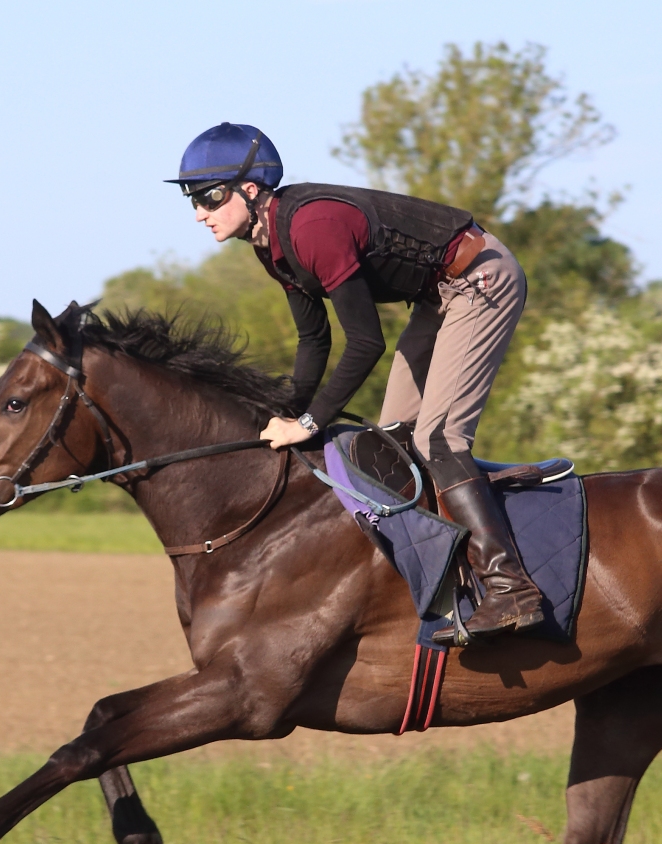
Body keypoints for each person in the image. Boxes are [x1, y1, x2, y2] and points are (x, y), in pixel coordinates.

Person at [168, 122, 544, 642]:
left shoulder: (311, 228)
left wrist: (308, 423)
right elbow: (313, 340)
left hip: (480, 279)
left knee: (438, 439)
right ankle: (446, 578)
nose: (199, 213)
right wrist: (283, 411)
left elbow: (366, 342)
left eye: (209, 197)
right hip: (439, 294)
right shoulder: (270, 244)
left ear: (250, 190)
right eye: (193, 200)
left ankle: (510, 589)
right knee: (394, 444)